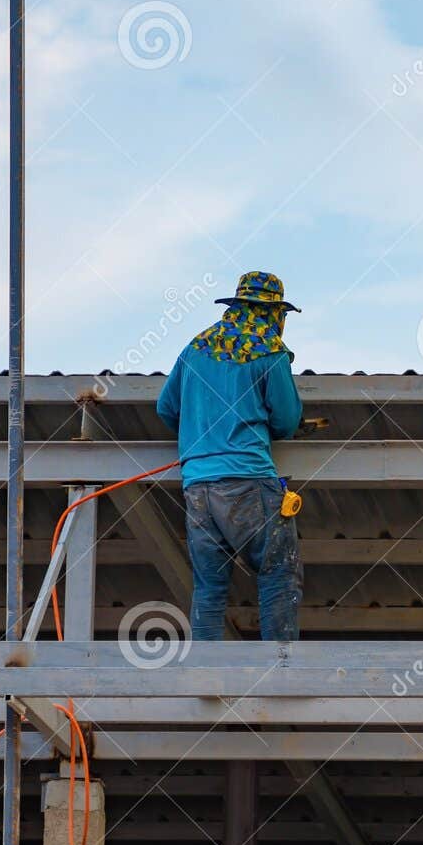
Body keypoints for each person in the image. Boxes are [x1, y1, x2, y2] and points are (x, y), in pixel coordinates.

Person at [155, 271, 304, 641]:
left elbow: (166, 407)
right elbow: (286, 421)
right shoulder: (269, 352)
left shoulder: (195, 348)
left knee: (209, 587)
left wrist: (202, 434)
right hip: (249, 480)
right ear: (275, 313)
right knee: (278, 574)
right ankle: (280, 670)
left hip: (198, 489)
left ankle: (205, 671)